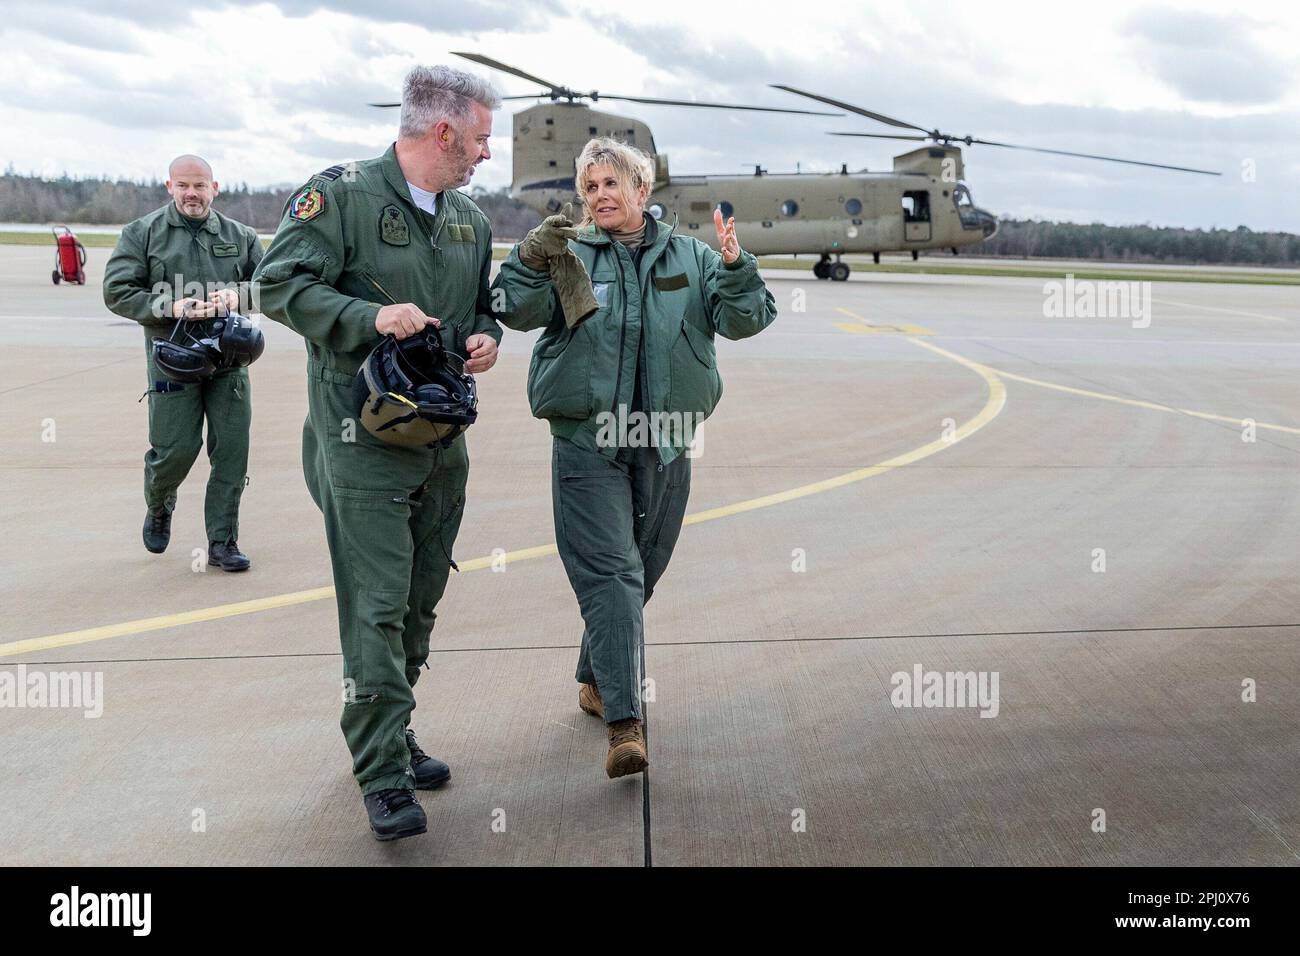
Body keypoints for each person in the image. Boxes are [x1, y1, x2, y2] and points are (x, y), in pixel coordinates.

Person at [253, 65, 501, 841]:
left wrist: (487, 332)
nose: (488, 156)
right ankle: (381, 773)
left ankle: (393, 727)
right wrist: (368, 315)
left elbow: (479, 302)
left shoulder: (469, 219)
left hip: (439, 441)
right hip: (360, 442)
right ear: (444, 132)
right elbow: (277, 284)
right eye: (483, 139)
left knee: (422, 596)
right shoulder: (342, 196)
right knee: (377, 605)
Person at [492, 137, 777, 778]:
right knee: (613, 576)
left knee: (643, 568)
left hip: (668, 438)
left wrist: (735, 266)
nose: (598, 197)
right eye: (589, 188)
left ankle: (596, 677)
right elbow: (510, 309)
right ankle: (625, 722)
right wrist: (528, 259)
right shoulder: (567, 255)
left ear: (642, 192)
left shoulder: (692, 257)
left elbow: (746, 320)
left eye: (609, 185)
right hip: (587, 442)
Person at [103, 154, 262, 571]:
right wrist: (169, 306)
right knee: (175, 450)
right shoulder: (143, 233)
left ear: (215, 187)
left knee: (231, 452)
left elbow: (272, 284)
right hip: (173, 359)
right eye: (184, 186)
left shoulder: (241, 235)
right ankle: (160, 502)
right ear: (169, 187)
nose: (193, 194)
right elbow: (117, 290)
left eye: (200, 185)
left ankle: (223, 542)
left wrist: (238, 297)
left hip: (228, 357)